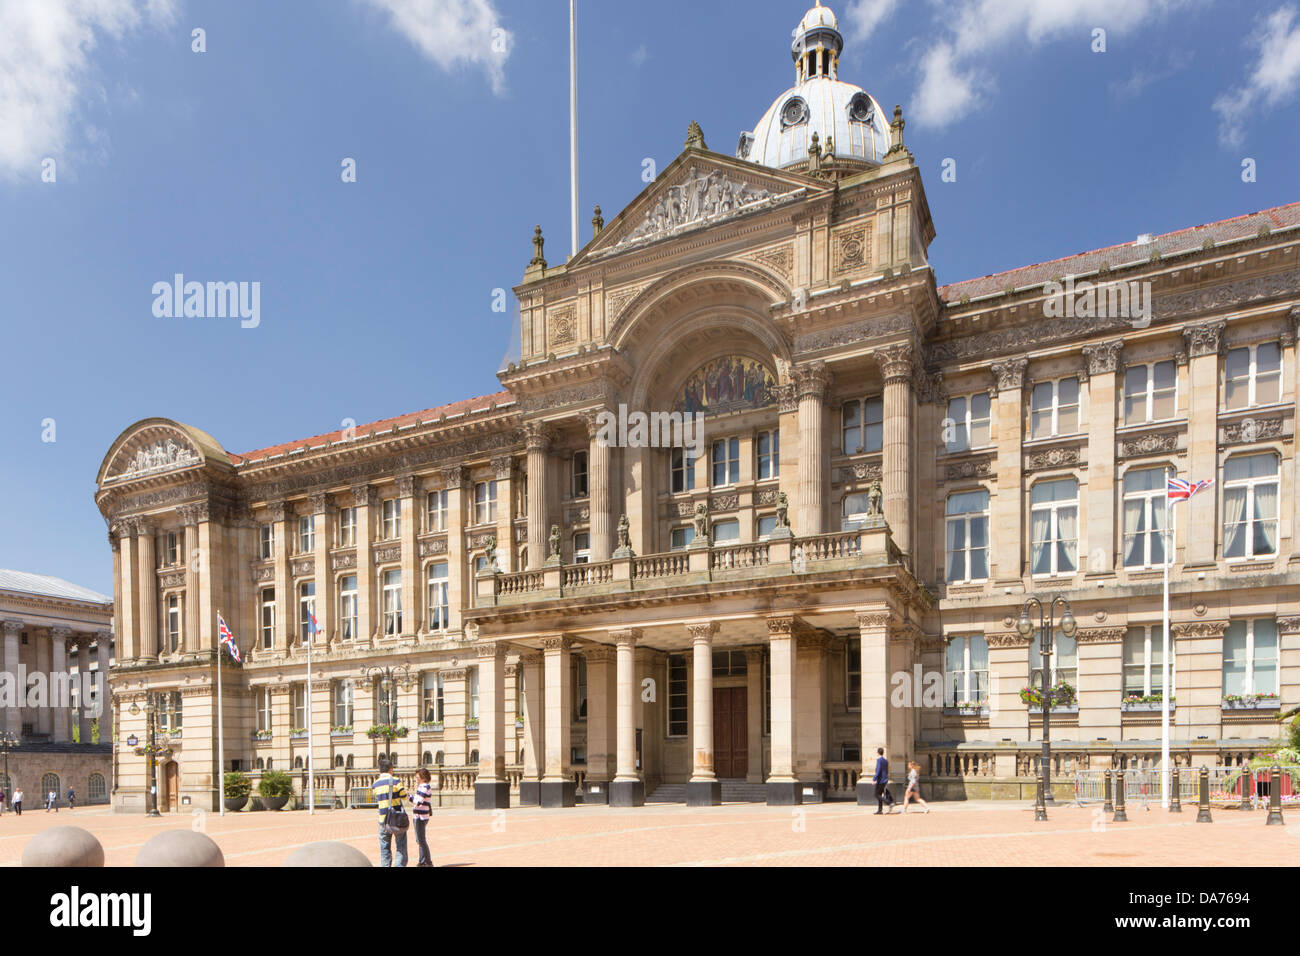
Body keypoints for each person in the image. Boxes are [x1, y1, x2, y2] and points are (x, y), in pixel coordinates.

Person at [372, 759, 408, 867]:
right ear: (391, 769)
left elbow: (377, 797)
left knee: (385, 848)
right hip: (397, 820)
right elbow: (404, 797)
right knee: (401, 846)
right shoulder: (396, 781)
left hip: (383, 820)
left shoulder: (375, 784)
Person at [411, 767, 434, 867]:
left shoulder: (424, 786)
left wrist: (408, 797)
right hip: (419, 816)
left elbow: (418, 802)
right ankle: (422, 861)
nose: (416, 778)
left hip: (421, 817)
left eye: (418, 776)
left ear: (423, 777)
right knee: (419, 840)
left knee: (421, 840)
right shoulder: (422, 786)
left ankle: (428, 862)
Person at [872, 747, 895, 815]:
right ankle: (880, 810)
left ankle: (889, 802)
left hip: (880, 780)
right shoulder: (885, 760)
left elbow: (878, 770)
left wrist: (874, 779)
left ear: (878, 753)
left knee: (876, 794)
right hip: (885, 779)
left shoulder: (879, 760)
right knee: (879, 794)